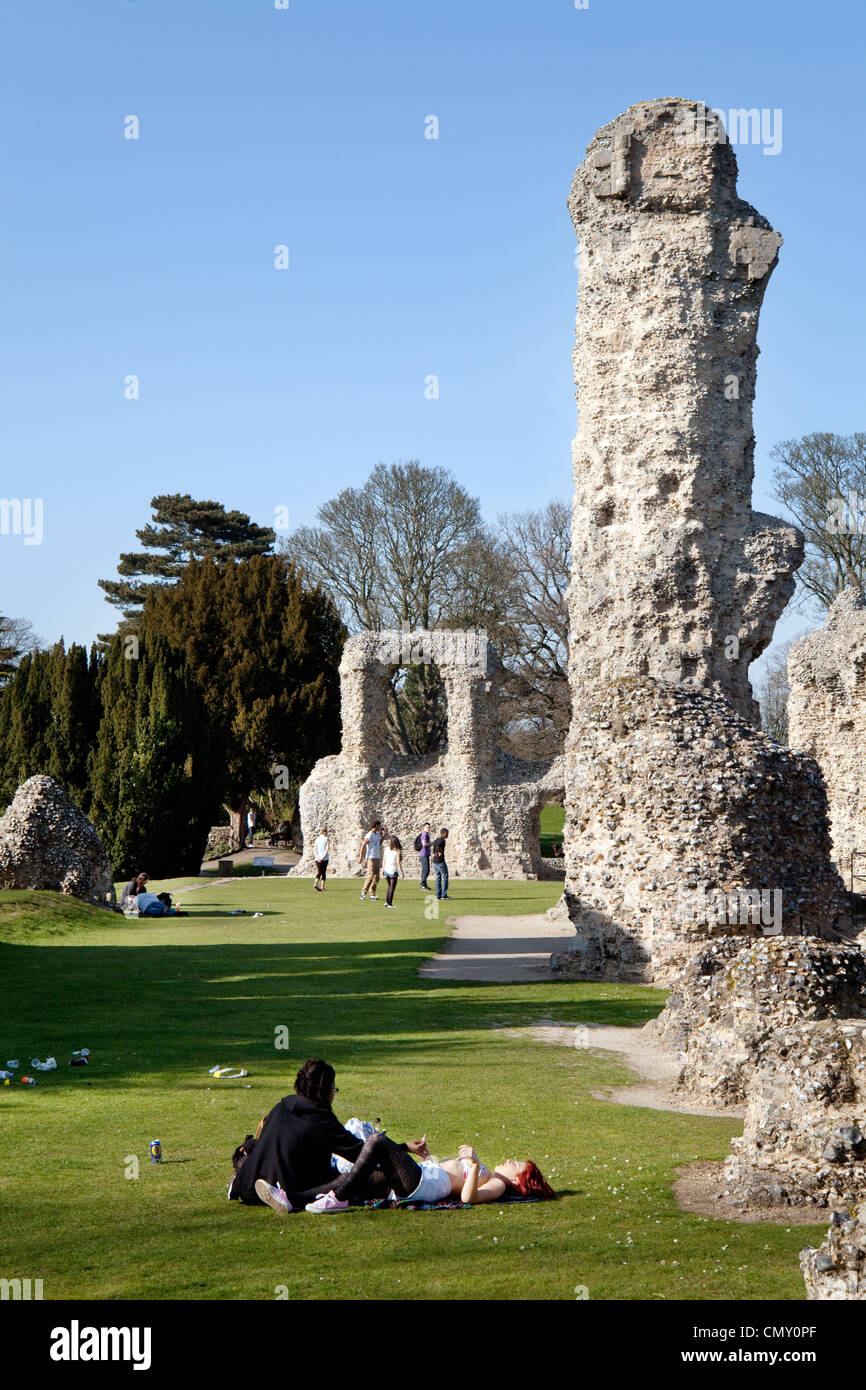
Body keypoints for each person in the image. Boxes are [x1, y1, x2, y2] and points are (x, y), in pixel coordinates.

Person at [230, 1058, 427, 1205]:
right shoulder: (320, 1117)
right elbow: (362, 1153)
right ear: (324, 1091)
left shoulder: (281, 1105)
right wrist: (403, 1148)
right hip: (286, 1187)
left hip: (248, 1185)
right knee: (347, 1178)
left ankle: (269, 1191)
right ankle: (291, 1199)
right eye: (333, 1088)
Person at [256, 1129, 555, 1214]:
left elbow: (467, 1198)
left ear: (518, 1179)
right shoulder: (493, 1175)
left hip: (423, 1184)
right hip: (421, 1175)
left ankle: (339, 1199)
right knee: (352, 1178)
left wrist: (474, 1166)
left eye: (517, 1163)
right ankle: (289, 1198)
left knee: (376, 1141)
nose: (511, 1160)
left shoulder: (499, 1186)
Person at [358, 819, 383, 901]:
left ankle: (372, 893)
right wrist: (361, 857)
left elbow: (378, 844)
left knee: (377, 877)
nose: (380, 827)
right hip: (371, 858)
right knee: (370, 876)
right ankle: (363, 893)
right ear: (376, 826)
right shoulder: (369, 835)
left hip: (377, 857)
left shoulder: (377, 834)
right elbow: (363, 845)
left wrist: (383, 836)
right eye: (379, 825)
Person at [382, 836, 404, 908]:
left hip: (386, 869)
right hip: (393, 870)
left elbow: (384, 860)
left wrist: (383, 869)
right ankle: (389, 903)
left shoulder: (386, 849)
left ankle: (386, 902)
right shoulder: (397, 851)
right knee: (392, 887)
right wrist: (401, 872)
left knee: (389, 886)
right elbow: (398, 862)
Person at [432, 827, 450, 900]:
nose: (447, 835)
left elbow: (434, 846)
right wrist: (440, 852)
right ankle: (444, 895)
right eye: (446, 834)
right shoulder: (442, 840)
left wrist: (435, 852)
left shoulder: (436, 839)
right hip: (440, 861)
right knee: (445, 877)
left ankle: (438, 895)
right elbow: (438, 845)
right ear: (443, 833)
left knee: (438, 878)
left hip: (435, 861)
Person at [417, 823, 431, 889]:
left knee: (425, 870)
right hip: (423, 854)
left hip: (426, 854)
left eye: (429, 827)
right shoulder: (424, 834)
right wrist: (432, 843)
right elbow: (424, 844)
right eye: (427, 827)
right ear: (424, 828)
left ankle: (424, 884)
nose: (428, 829)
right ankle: (422, 884)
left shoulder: (427, 834)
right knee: (426, 869)